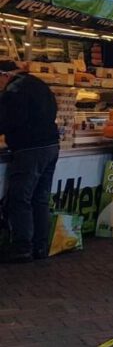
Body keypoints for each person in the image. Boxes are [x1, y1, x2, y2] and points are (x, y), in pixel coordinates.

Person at [0, 60, 60, 262]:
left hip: (30, 149)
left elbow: (8, 120)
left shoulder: (14, 89)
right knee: (40, 198)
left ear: (5, 75)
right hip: (51, 145)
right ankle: (40, 247)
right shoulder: (38, 83)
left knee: (20, 197)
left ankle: (22, 247)